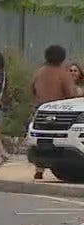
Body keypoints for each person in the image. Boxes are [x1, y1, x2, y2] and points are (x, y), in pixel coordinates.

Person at [30, 45, 77, 180]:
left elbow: (32, 88)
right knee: (59, 139)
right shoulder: (63, 74)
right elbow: (71, 94)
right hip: (60, 112)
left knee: (42, 138)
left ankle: (39, 167)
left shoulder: (39, 72)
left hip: (41, 110)